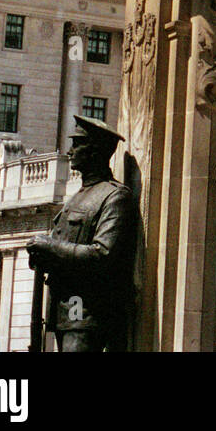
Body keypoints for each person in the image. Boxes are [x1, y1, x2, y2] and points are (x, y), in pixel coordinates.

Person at [26, 115, 136, 352]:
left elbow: (103, 254)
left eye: (77, 144)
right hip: (63, 312)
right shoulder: (78, 197)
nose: (70, 151)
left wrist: (49, 247)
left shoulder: (114, 196)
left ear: (95, 152)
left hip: (89, 314)